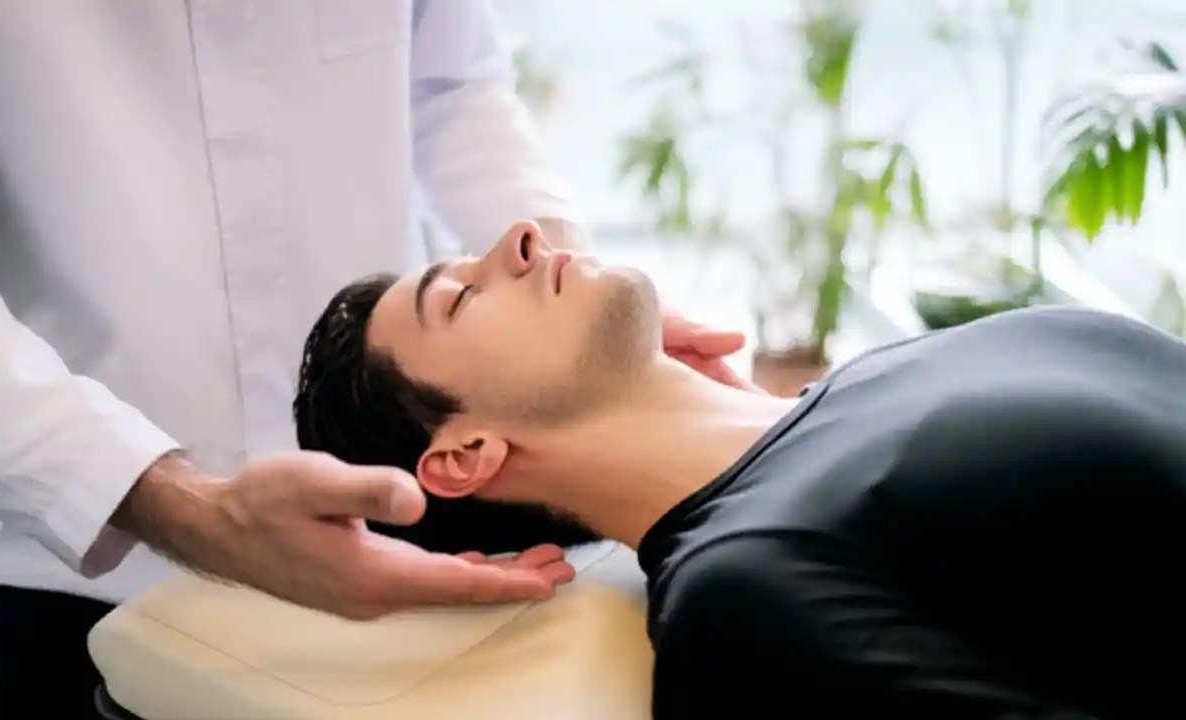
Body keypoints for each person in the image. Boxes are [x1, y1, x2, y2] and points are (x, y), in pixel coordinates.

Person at [0, 3, 749, 717]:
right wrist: (174, 503)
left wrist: (581, 321)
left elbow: (454, 88)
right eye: (455, 292)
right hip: (40, 574)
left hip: (418, 559)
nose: (521, 246)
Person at [296, 218, 1186, 719]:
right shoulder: (746, 591)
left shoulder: (881, 370)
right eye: (459, 298)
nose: (520, 237)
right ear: (462, 457)